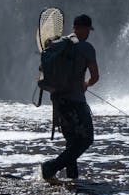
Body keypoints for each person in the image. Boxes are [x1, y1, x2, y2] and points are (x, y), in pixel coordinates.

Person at [41, 14, 100, 182]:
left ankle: (72, 180)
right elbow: (95, 76)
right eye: (88, 29)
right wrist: (86, 84)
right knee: (86, 139)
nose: (88, 33)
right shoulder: (86, 48)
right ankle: (51, 166)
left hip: (58, 100)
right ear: (82, 28)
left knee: (72, 141)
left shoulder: (57, 45)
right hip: (75, 101)